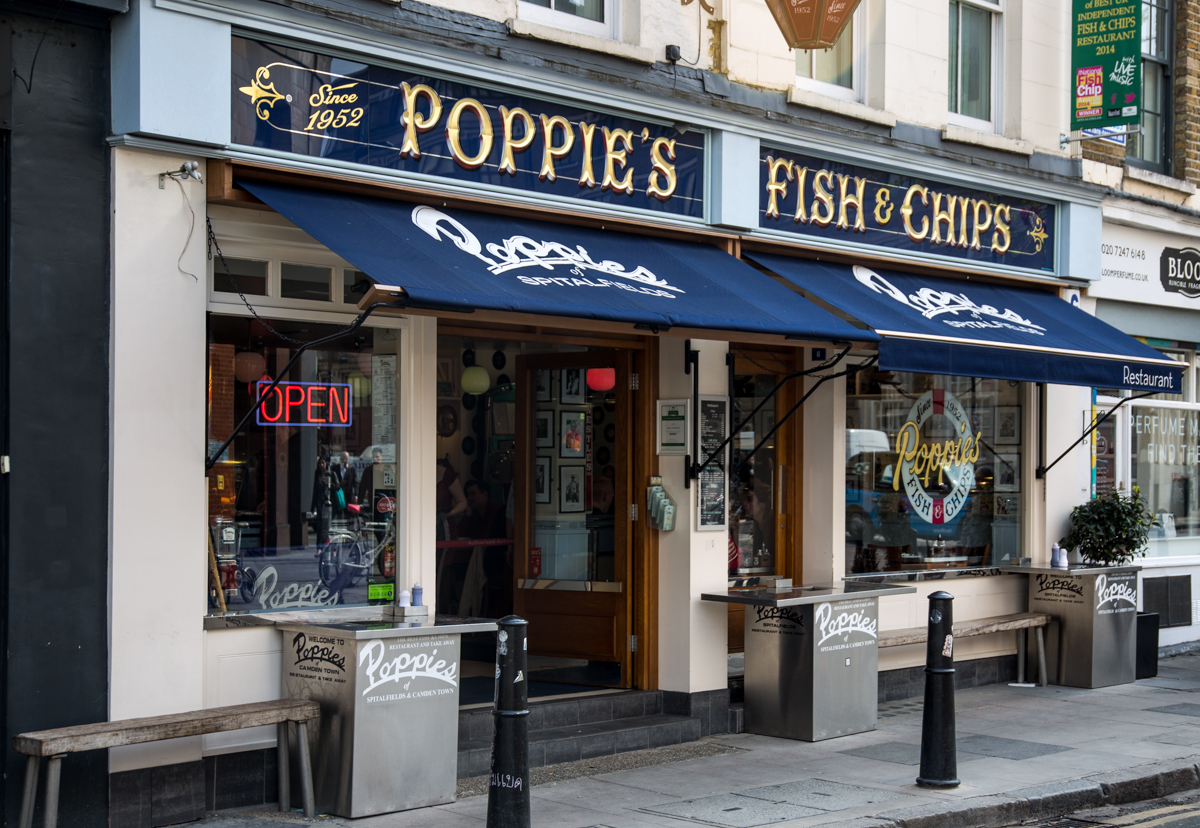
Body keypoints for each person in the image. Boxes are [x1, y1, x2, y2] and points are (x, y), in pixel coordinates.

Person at [310, 455, 332, 550]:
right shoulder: (317, 474)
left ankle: (328, 547)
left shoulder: (330, 473)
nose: (321, 465)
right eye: (320, 463)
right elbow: (315, 490)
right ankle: (319, 548)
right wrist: (312, 506)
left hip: (327, 504)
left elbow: (335, 487)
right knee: (319, 526)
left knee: (327, 527)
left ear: (326, 464)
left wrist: (326, 483)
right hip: (319, 502)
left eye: (323, 463)